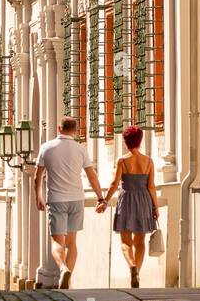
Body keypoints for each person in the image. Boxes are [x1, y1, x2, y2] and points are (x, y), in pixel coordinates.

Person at [33, 116, 106, 289]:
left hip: (57, 200)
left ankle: (63, 269)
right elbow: (91, 175)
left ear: (59, 128)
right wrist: (100, 197)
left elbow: (38, 175)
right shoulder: (81, 149)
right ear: (76, 130)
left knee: (57, 242)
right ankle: (68, 280)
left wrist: (38, 196)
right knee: (72, 243)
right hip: (76, 199)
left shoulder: (47, 148)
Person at [97, 125, 159, 288]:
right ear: (140, 140)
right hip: (144, 200)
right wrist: (155, 207)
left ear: (125, 141)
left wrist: (104, 200)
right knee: (140, 240)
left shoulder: (122, 160)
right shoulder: (148, 161)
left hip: (126, 200)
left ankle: (131, 266)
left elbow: (114, 183)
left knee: (125, 241)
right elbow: (151, 186)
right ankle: (137, 271)